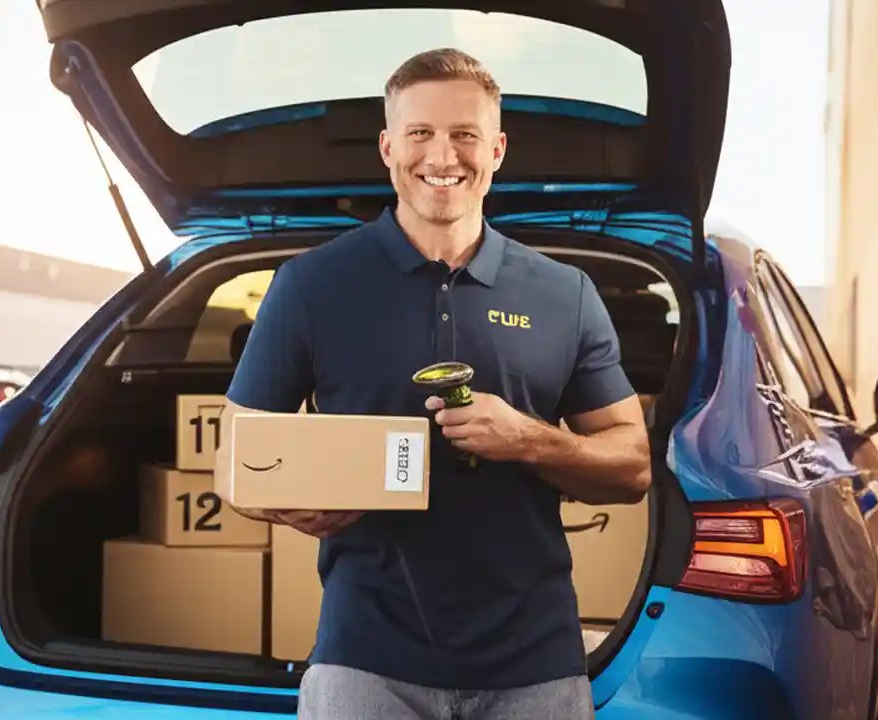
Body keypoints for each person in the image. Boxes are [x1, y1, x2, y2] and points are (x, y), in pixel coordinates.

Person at [216, 48, 651, 720]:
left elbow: (632, 465)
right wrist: (283, 505)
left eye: (465, 135)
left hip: (535, 668)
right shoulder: (312, 286)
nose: (442, 155)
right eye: (420, 133)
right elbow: (233, 459)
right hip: (365, 664)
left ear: (498, 149)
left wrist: (531, 440)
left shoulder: (565, 295)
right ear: (388, 147)